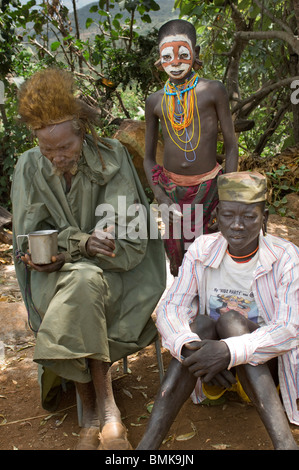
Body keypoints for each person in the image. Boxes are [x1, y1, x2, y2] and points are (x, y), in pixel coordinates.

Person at [11, 68, 166, 450]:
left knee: (85, 282)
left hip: (121, 275)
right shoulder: (29, 166)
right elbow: (26, 238)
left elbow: (128, 243)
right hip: (52, 279)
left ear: (82, 130)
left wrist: (82, 248)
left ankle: (93, 415)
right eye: (47, 150)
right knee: (80, 282)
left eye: (64, 148)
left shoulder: (112, 158)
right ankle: (106, 412)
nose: (55, 158)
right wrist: (70, 247)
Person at [137, 171, 299, 450]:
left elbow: (289, 328)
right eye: (228, 216)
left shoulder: (285, 257)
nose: (237, 226)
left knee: (232, 321)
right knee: (197, 326)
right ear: (216, 216)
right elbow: (171, 307)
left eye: (249, 217)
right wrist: (189, 349)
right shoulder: (202, 249)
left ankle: (285, 445)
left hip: (262, 374)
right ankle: (147, 447)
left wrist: (229, 352)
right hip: (211, 371)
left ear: (265, 218)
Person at [144, 19, 238, 276]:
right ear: (159, 59)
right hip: (171, 191)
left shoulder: (213, 91)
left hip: (210, 188)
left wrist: (226, 194)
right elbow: (149, 160)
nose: (175, 62)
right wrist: (161, 198)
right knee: (179, 253)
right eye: (167, 56)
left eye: (183, 54)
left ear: (195, 54)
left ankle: (209, 306)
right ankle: (184, 303)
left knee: (210, 250)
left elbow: (231, 146)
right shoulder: (155, 101)